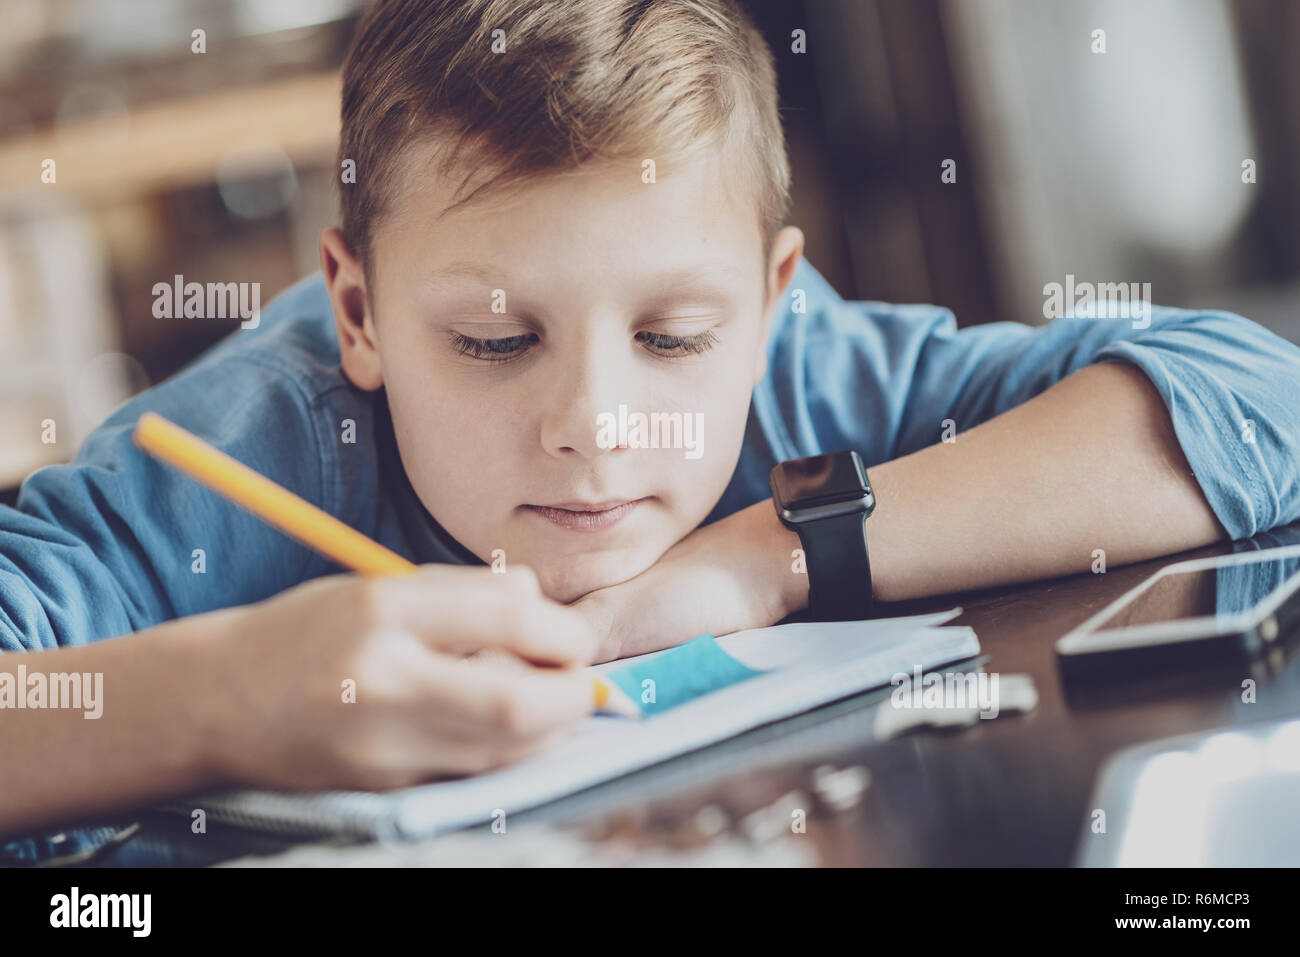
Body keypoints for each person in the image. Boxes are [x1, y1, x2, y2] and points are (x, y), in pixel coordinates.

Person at [2, 0, 1298, 839]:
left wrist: (765, 558)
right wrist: (223, 696)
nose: (596, 424)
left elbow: (1260, 400)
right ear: (360, 310)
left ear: (768, 299)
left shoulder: (800, 379)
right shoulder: (234, 461)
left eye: (674, 337)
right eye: (497, 341)